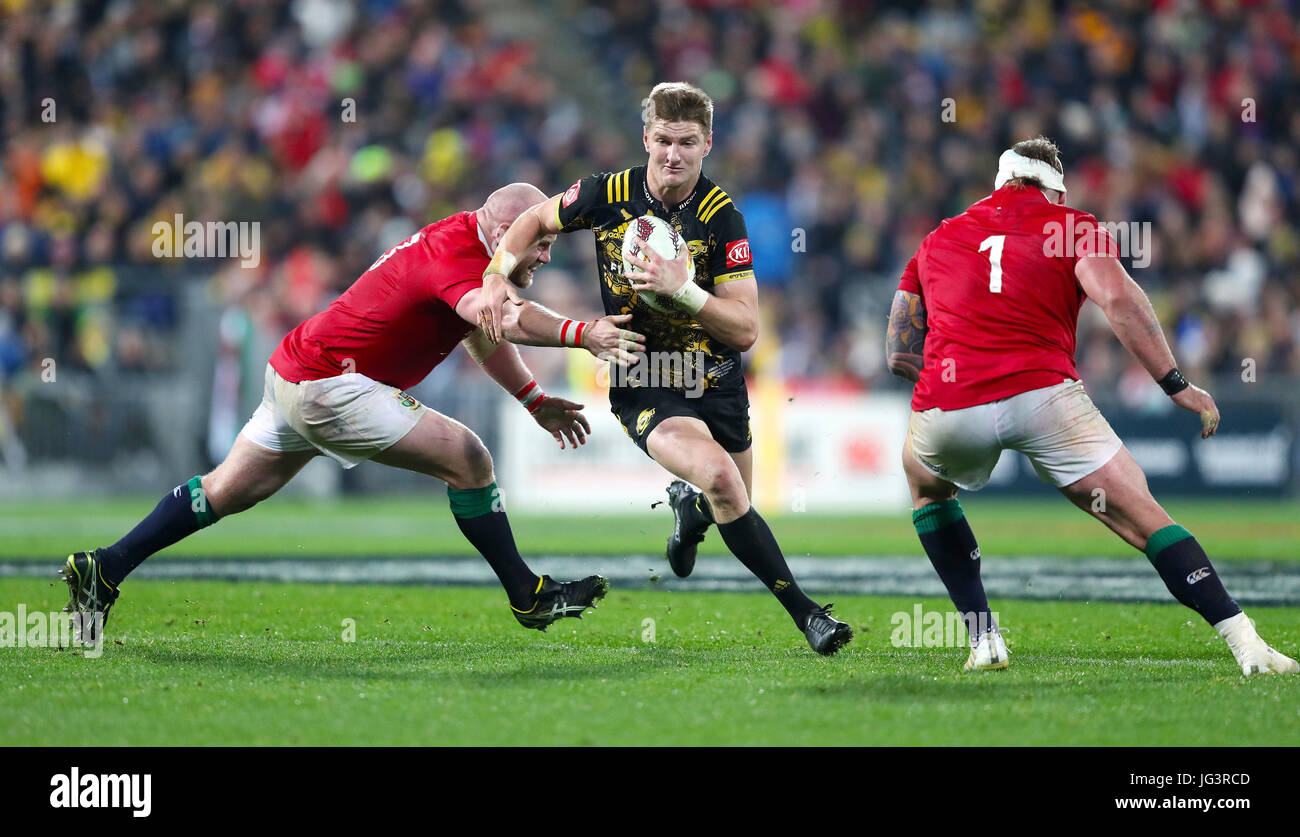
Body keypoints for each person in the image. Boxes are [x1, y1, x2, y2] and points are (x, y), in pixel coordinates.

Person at [62, 183, 645, 640]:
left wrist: (534, 400)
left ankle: (105, 568)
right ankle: (527, 593)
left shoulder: (464, 246)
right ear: (501, 231)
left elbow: (482, 336)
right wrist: (581, 331)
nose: (543, 252)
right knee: (470, 459)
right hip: (332, 385)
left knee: (223, 492)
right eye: (538, 241)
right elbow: (506, 320)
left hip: (295, 367)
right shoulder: (460, 256)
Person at [885, 136, 1298, 676]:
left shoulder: (940, 237)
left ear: (1000, 182)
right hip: (1044, 396)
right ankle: (1247, 644)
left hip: (951, 404)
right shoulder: (1070, 225)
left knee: (924, 482)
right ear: (1056, 187)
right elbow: (1119, 299)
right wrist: (1176, 384)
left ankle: (983, 638)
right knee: (1146, 520)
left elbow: (897, 351)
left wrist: (951, 385)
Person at [477, 83, 853, 655]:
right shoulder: (610, 192)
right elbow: (533, 219)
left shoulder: (721, 217)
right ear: (646, 138)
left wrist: (686, 291)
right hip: (645, 374)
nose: (672, 154)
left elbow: (746, 329)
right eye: (663, 141)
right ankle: (809, 616)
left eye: (686, 143)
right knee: (724, 480)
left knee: (731, 500)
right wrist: (497, 273)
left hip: (716, 379)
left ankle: (689, 510)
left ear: (707, 145)